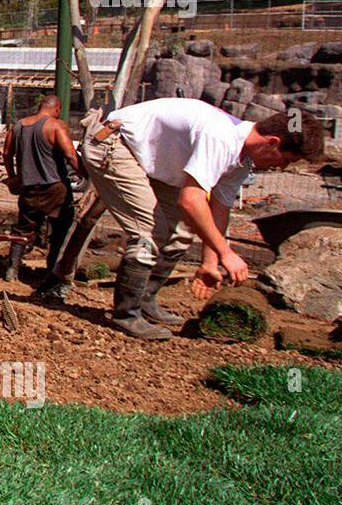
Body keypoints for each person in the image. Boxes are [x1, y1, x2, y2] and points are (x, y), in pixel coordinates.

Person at [82, 98, 324, 340]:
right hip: (114, 143)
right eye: (287, 160)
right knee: (150, 232)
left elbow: (218, 209)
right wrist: (227, 254)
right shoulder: (221, 137)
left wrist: (211, 262)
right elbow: (190, 200)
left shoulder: (241, 159)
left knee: (182, 231)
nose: (281, 168)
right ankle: (126, 313)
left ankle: (145, 299)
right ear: (273, 143)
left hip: (146, 156)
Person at [2, 95, 82, 283]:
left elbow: (6, 152)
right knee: (60, 231)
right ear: (57, 108)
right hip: (55, 188)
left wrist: (12, 175)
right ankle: (53, 270)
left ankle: (12, 269)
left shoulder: (19, 125)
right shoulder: (56, 125)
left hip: (28, 187)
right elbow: (70, 154)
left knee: (23, 229)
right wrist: (86, 175)